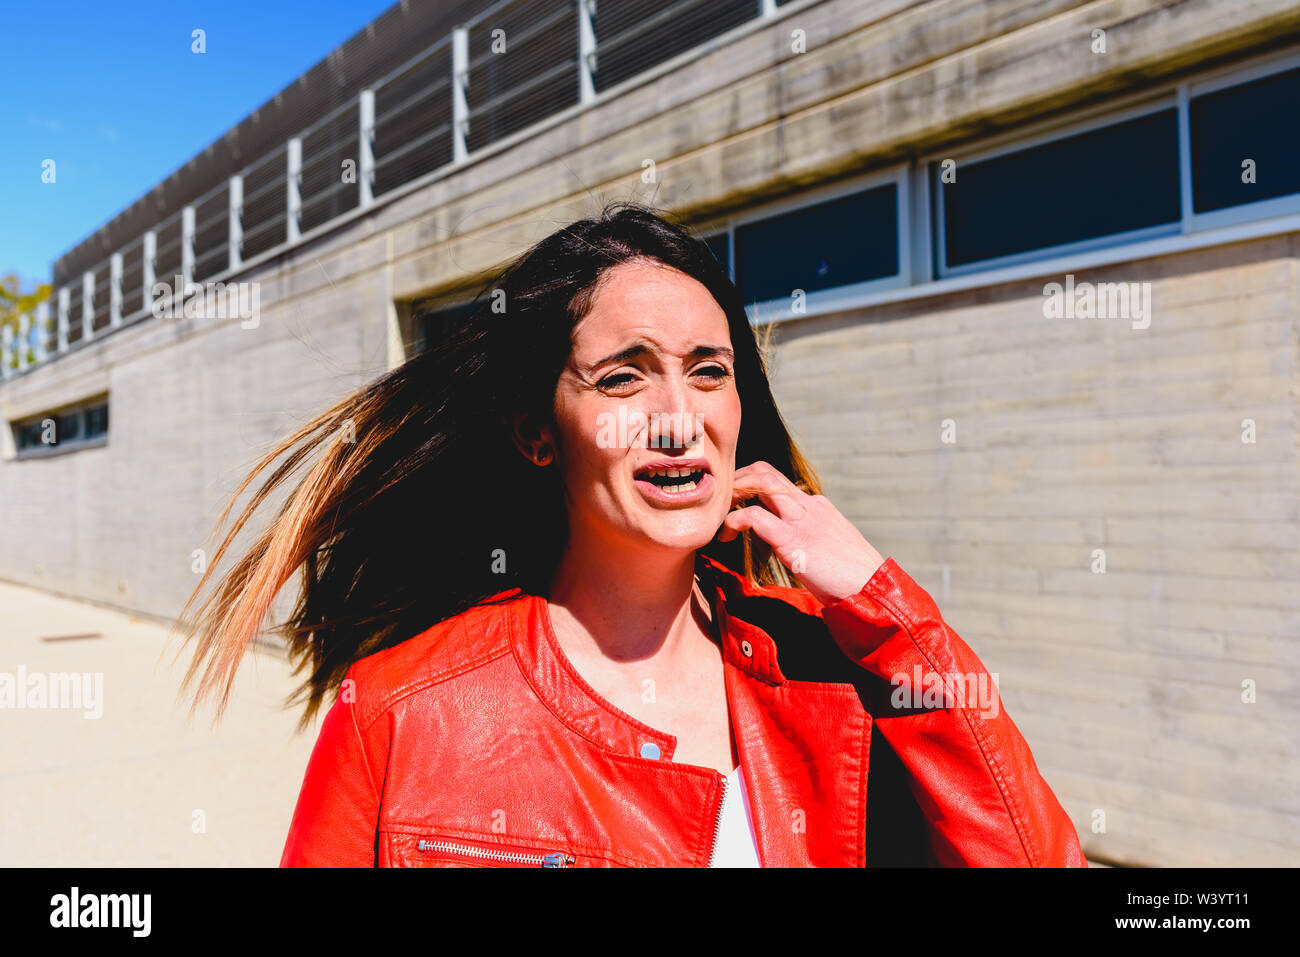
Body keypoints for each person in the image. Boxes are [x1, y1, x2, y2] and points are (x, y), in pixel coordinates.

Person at [179, 201, 1086, 867]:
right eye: (623, 377)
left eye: (708, 372)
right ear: (538, 431)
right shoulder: (398, 709)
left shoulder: (832, 676)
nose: (677, 418)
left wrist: (888, 610)